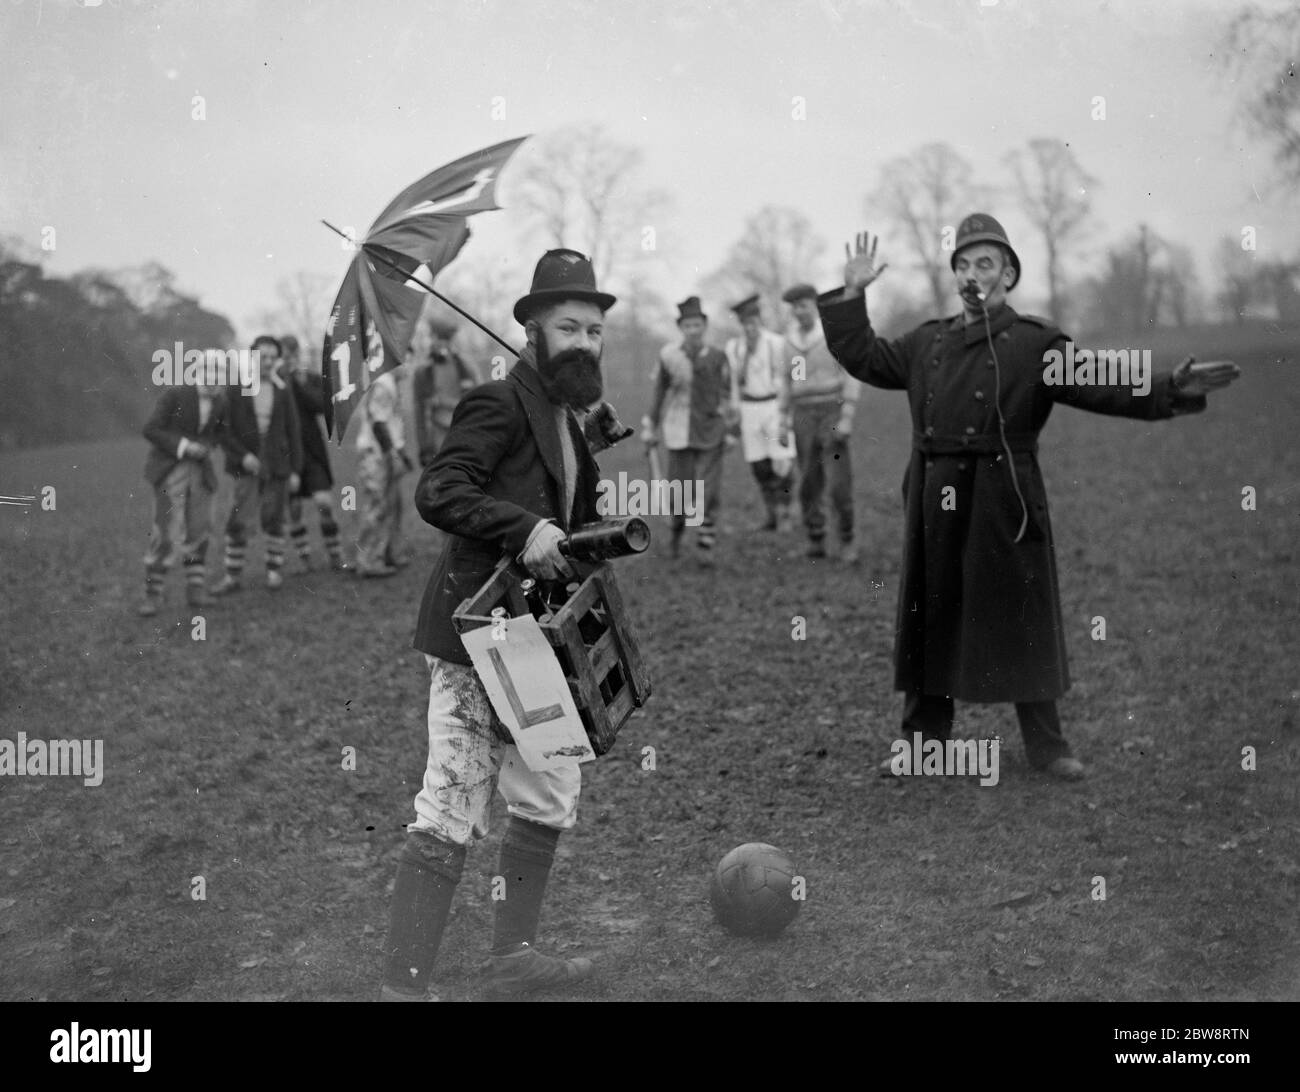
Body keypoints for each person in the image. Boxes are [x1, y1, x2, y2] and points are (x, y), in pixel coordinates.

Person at [818, 215, 1240, 780]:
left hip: (1004, 494)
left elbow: (1101, 382)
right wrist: (851, 296)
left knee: (1022, 611)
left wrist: (1168, 386)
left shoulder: (1036, 343)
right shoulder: (927, 342)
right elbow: (865, 357)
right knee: (931, 609)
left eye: (985, 264)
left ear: (1008, 275)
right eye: (963, 265)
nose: (973, 274)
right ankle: (923, 742)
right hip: (934, 494)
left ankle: (1047, 745)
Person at [380, 248, 618, 1001]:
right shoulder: (496, 401)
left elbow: (566, 514)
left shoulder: (568, 418)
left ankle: (513, 955)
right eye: (569, 328)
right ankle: (403, 987)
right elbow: (440, 489)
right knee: (453, 803)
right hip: (478, 631)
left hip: (538, 636)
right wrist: (524, 527)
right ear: (533, 332)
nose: (585, 342)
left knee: (549, 791)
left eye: (595, 330)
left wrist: (589, 484)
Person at [137, 353, 236, 615]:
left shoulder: (222, 401)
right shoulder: (175, 395)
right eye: (210, 370)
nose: (215, 376)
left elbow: (220, 433)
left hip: (201, 474)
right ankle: (152, 596)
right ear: (198, 370)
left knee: (200, 530)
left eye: (221, 371)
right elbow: (151, 429)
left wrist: (207, 447)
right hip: (171, 470)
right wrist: (184, 446)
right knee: (165, 533)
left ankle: (196, 591)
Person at [213, 336, 302, 594]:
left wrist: (295, 469)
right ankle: (232, 577)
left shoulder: (282, 389)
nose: (268, 362)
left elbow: (293, 431)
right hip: (247, 465)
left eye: (273, 357)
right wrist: (243, 457)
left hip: (277, 465)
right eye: (262, 357)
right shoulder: (236, 389)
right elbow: (222, 431)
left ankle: (274, 573)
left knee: (274, 518)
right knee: (238, 520)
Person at [646, 295, 731, 562]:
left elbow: (728, 394)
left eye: (697, 325)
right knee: (679, 491)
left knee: (709, 490)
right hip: (678, 429)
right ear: (680, 328)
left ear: (704, 325)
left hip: (711, 430)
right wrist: (651, 427)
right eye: (687, 326)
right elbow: (659, 393)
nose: (693, 330)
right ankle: (676, 535)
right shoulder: (668, 355)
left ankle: (706, 544)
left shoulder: (718, 357)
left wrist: (732, 428)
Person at [782, 283, 862, 563]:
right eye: (794, 307)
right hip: (802, 413)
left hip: (832, 409)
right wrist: (782, 420)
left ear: (814, 306)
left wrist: (847, 415)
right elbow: (786, 382)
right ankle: (816, 538)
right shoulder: (789, 341)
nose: (799, 311)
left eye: (803, 305)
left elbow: (851, 374)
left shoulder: (831, 334)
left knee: (839, 481)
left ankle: (847, 538)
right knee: (808, 479)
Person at [725, 295, 795, 531]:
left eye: (754, 321)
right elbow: (733, 383)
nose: (750, 327)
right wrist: (734, 410)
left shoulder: (777, 342)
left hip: (774, 405)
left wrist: (788, 405)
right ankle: (771, 513)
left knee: (781, 460)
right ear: (741, 324)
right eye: (745, 323)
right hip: (749, 408)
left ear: (760, 320)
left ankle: (785, 512)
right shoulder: (734, 347)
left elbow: (791, 374)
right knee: (759, 464)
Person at [282, 335, 347, 572]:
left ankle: (336, 554)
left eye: (293, 355)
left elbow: (322, 406)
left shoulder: (309, 379)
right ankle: (304, 559)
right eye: (285, 356)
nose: (289, 360)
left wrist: (300, 384)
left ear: (298, 354)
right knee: (295, 509)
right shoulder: (276, 383)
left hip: (312, 452)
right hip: (287, 455)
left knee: (324, 503)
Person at [353, 320, 411, 578]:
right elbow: (378, 422)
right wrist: (391, 454)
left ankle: (387, 552)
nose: (410, 365)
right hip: (375, 455)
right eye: (408, 356)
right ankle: (368, 560)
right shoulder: (385, 383)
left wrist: (400, 452)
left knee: (390, 505)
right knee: (376, 505)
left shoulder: (391, 383)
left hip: (385, 452)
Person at [411, 318, 481, 467]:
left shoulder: (466, 367)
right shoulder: (423, 372)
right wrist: (423, 447)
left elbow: (480, 403)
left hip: (464, 434)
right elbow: (419, 413)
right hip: (436, 436)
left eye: (432, 337)